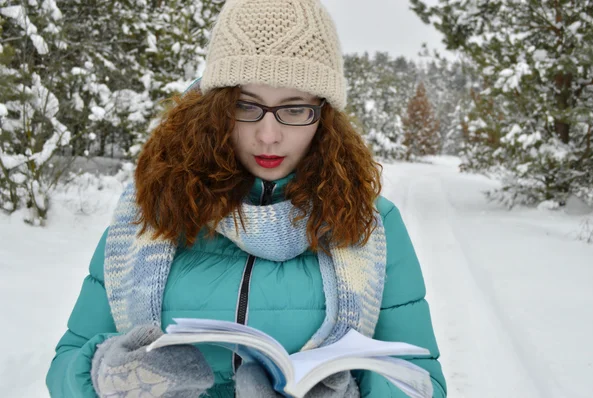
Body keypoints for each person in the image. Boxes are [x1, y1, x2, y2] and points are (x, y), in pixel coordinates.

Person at [46, 0, 447, 396]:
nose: (269, 135)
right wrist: (102, 377)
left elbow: (418, 379)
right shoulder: (153, 209)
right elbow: (66, 363)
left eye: (294, 109)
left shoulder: (369, 222)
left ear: (323, 116)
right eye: (245, 106)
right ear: (215, 108)